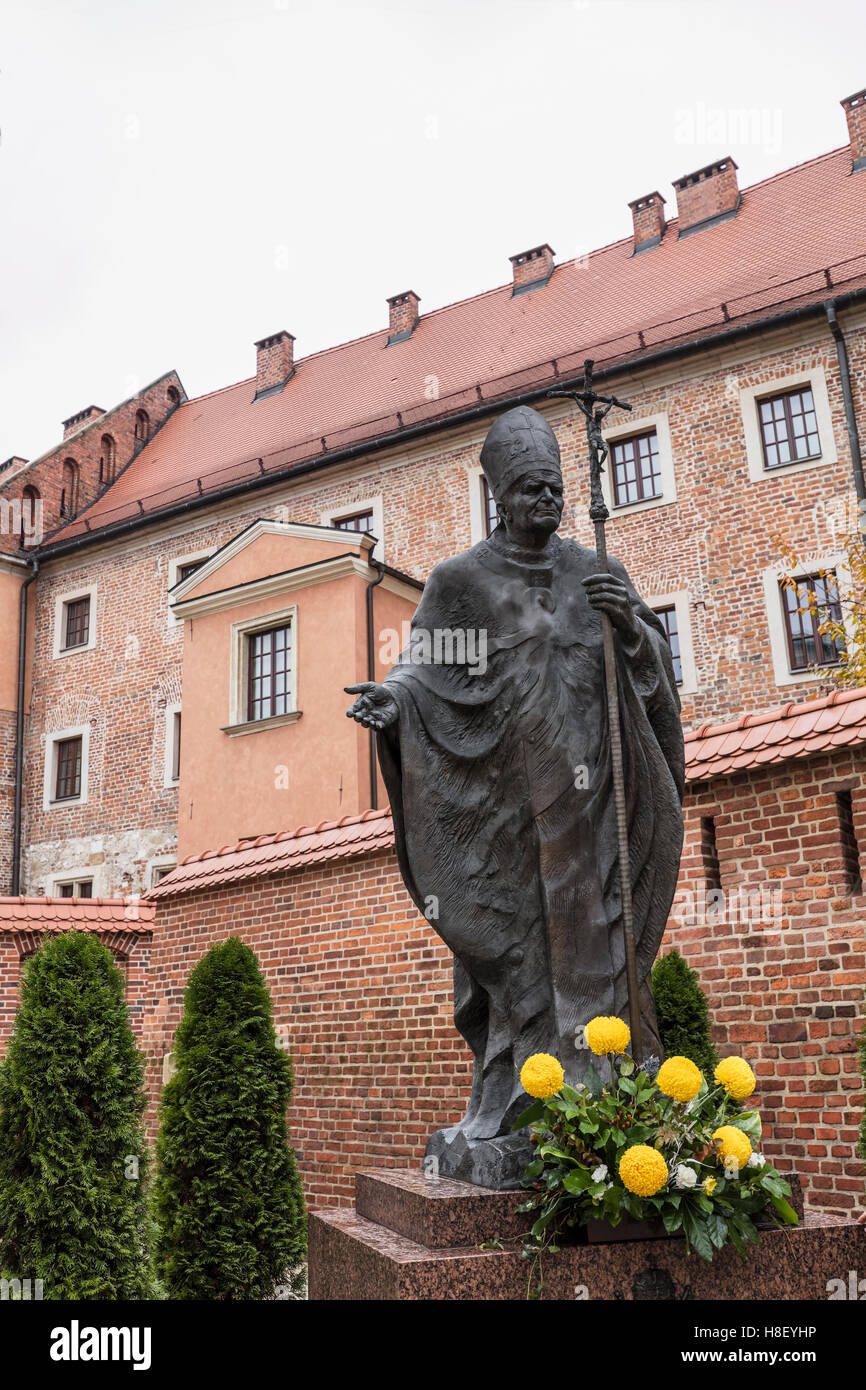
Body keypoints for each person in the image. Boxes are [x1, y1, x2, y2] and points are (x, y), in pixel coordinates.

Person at [346, 405, 685, 1187]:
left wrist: (631, 628)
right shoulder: (463, 582)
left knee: (604, 937)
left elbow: (652, 671)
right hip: (509, 813)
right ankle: (523, 1109)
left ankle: (614, 1106)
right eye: (531, 488)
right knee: (526, 954)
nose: (548, 501)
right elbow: (427, 669)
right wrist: (394, 706)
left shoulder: (594, 573)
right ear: (499, 493)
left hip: (601, 797)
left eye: (557, 488)